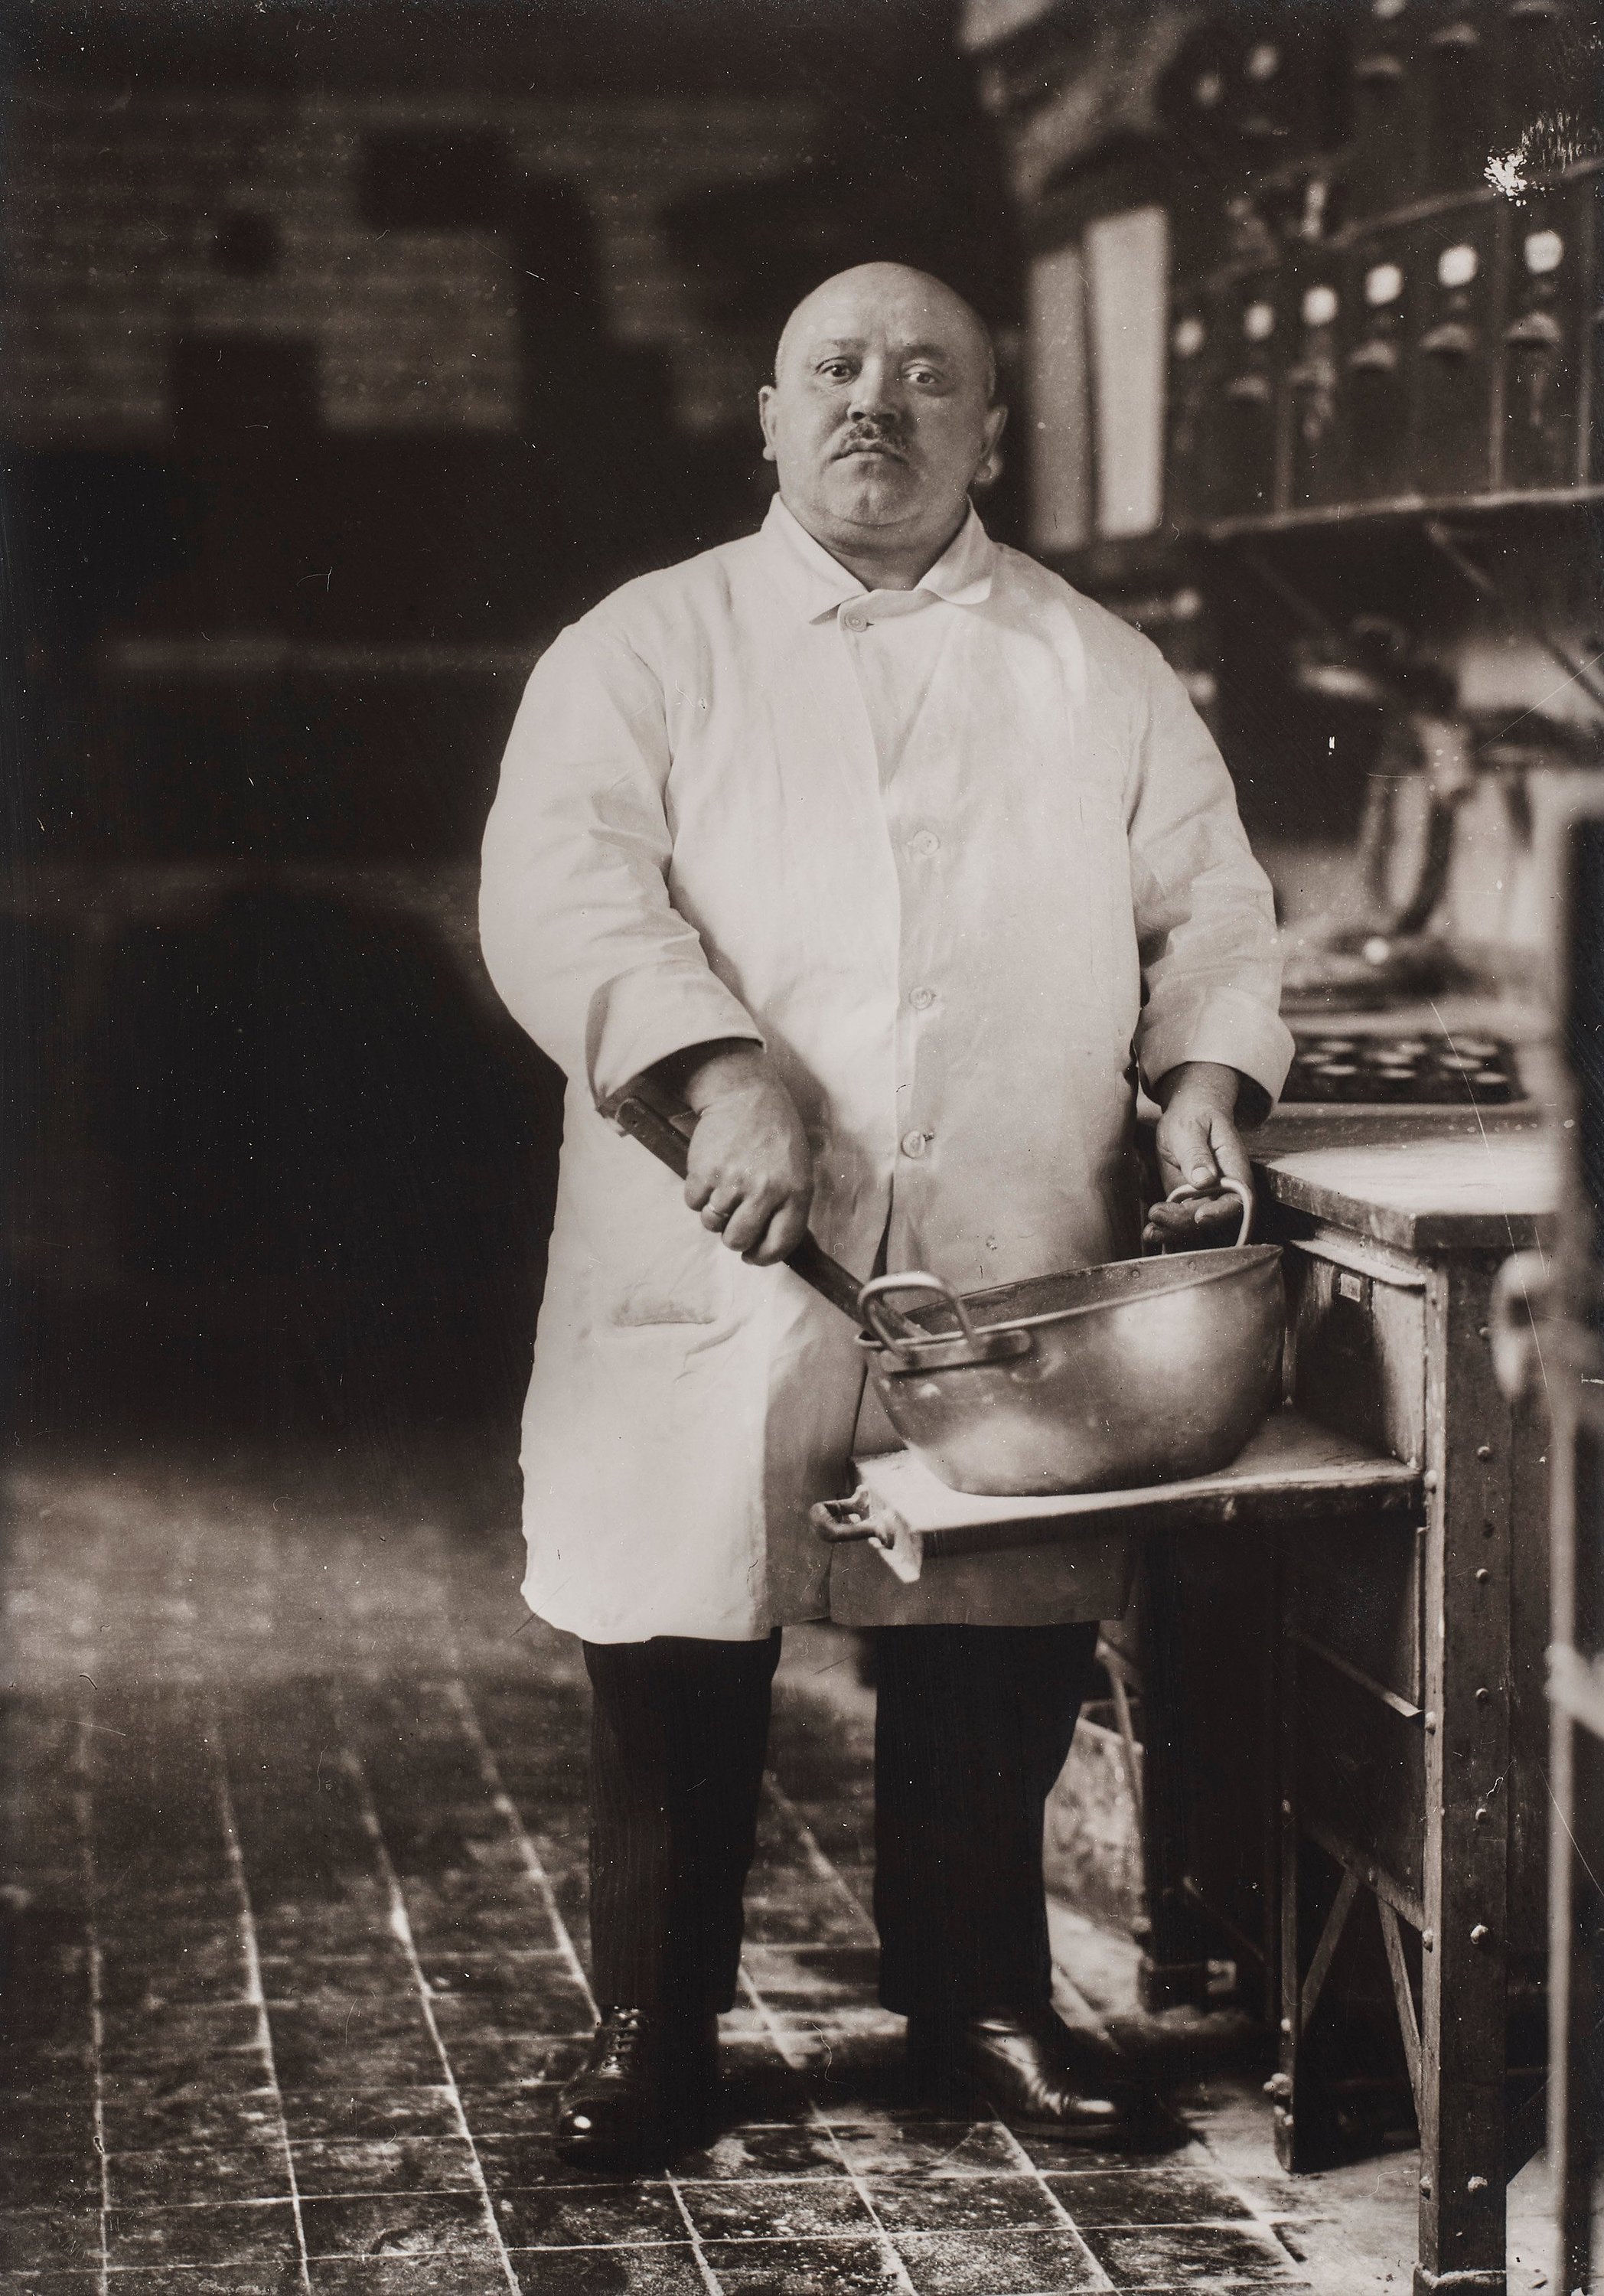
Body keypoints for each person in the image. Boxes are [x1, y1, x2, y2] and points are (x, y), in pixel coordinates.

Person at [479, 262, 1292, 2166]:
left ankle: (980, 2006)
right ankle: (654, 2032)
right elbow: (560, 894)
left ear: (989, 430)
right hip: (721, 1240)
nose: (877, 401)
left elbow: (1214, 915)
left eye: (928, 374)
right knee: (679, 1638)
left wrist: (1199, 1088)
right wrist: (714, 1070)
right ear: (765, 417)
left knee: (988, 1645)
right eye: (832, 368)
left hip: (1003, 1245)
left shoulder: (1090, 661)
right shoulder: (646, 647)